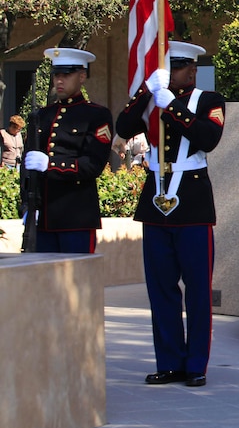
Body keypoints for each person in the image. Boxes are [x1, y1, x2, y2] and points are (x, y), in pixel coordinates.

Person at [116, 42, 226, 387]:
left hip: (192, 202)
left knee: (197, 289)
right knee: (161, 288)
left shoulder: (208, 100)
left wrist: (174, 107)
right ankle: (169, 361)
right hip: (156, 202)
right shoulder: (152, 99)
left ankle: (195, 364)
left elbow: (208, 138)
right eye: (167, 67)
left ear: (192, 70)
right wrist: (145, 91)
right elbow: (124, 125)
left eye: (177, 67)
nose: (172, 73)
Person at [22, 48, 113, 253]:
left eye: (66, 75)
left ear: (82, 76)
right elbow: (27, 166)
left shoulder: (96, 115)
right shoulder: (42, 115)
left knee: (78, 273)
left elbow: (93, 165)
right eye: (57, 75)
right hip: (43, 217)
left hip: (76, 217)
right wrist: (27, 204)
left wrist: (50, 165)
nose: (59, 81)